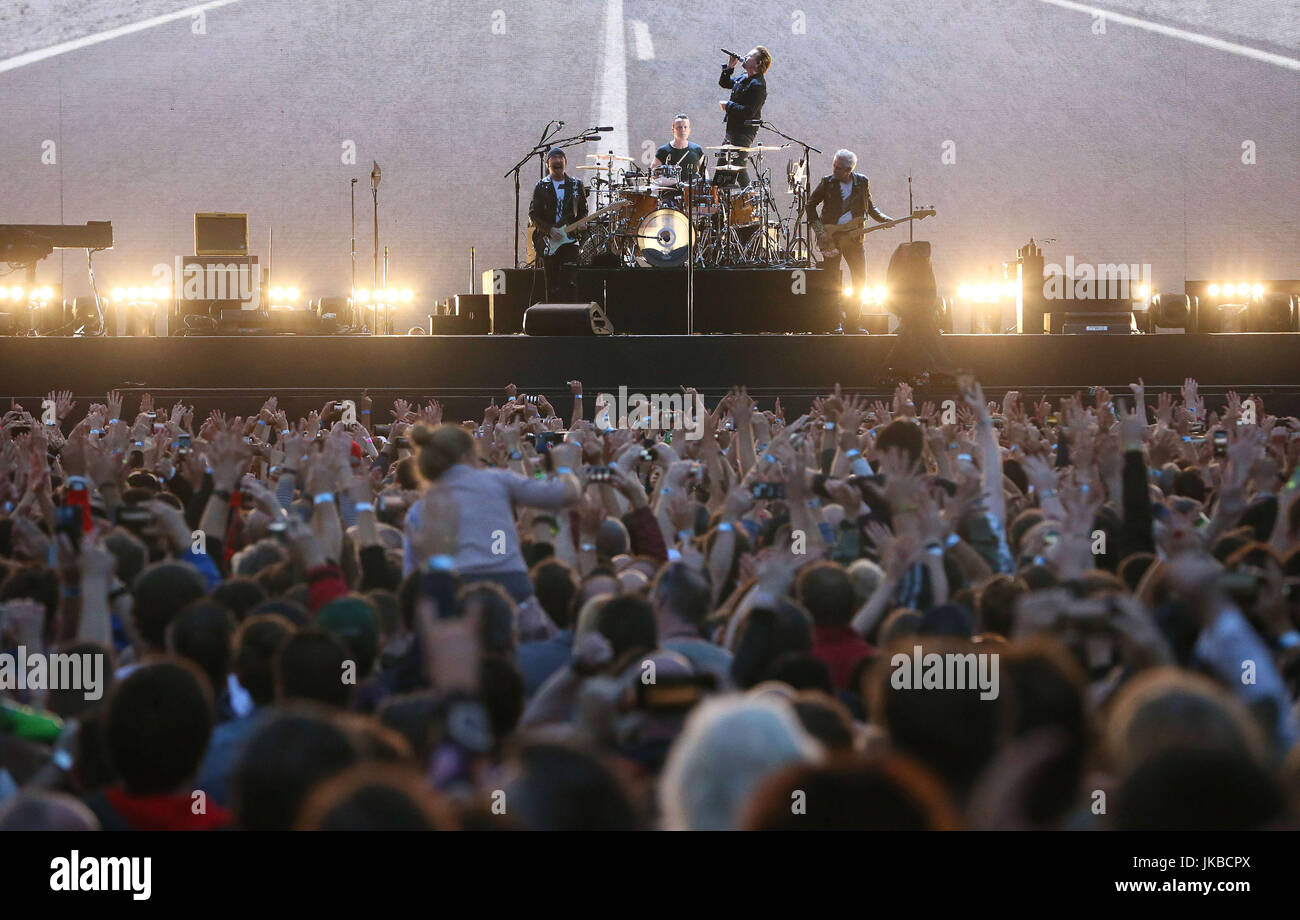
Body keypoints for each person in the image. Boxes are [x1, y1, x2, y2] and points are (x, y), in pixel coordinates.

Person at [401, 422, 582, 604]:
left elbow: (410, 574)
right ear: (468, 455)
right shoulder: (497, 480)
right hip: (511, 587)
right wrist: (565, 467)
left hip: (456, 593)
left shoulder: (419, 510)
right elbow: (568, 494)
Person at [807, 149, 897, 301]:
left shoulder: (862, 182)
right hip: (831, 239)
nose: (834, 170)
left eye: (838, 168)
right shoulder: (827, 182)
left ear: (849, 170)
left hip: (854, 238)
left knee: (859, 281)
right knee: (831, 281)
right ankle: (832, 320)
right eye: (834, 165)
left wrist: (883, 219)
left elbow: (870, 206)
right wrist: (820, 231)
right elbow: (810, 206)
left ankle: (853, 322)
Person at [527, 148, 589, 302]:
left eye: (560, 158)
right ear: (548, 164)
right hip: (549, 240)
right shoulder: (541, 186)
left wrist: (582, 223)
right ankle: (553, 320)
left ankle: (571, 319)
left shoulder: (576, 185)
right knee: (552, 284)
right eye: (553, 158)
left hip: (570, 239)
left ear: (565, 163)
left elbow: (583, 211)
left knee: (570, 281)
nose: (557, 161)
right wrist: (549, 229)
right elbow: (533, 214)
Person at [717, 46, 771, 187]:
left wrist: (728, 106)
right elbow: (724, 83)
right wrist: (730, 67)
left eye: (750, 55)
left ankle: (750, 202)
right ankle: (723, 200)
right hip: (732, 129)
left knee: (738, 166)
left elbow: (749, 112)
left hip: (744, 132)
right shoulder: (743, 77)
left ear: (758, 63)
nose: (745, 56)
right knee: (724, 166)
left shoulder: (758, 85)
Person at [652, 114, 707, 185]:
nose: (683, 130)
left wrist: (706, 183)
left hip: (691, 193)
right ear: (673, 130)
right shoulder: (663, 151)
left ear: (689, 130)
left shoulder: (697, 149)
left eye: (685, 127)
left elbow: (704, 172)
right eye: (679, 127)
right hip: (670, 193)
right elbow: (653, 174)